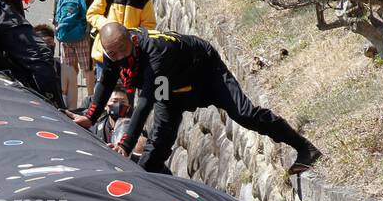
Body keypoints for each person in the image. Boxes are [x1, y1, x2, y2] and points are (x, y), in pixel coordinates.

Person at [70, 21, 321, 175]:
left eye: (123, 53)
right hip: (169, 87)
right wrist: (90, 117)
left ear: (132, 41)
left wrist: (125, 145)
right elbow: (105, 82)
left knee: (245, 114)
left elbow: (145, 101)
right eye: (112, 55)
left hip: (204, 72)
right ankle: (148, 190)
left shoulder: (155, 53)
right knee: (157, 143)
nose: (119, 59)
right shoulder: (113, 50)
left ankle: (305, 148)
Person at [53, 0, 93, 106]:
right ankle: (90, 98)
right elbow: (90, 15)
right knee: (87, 68)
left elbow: (55, 21)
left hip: (65, 39)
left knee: (68, 68)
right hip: (82, 37)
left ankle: (68, 101)